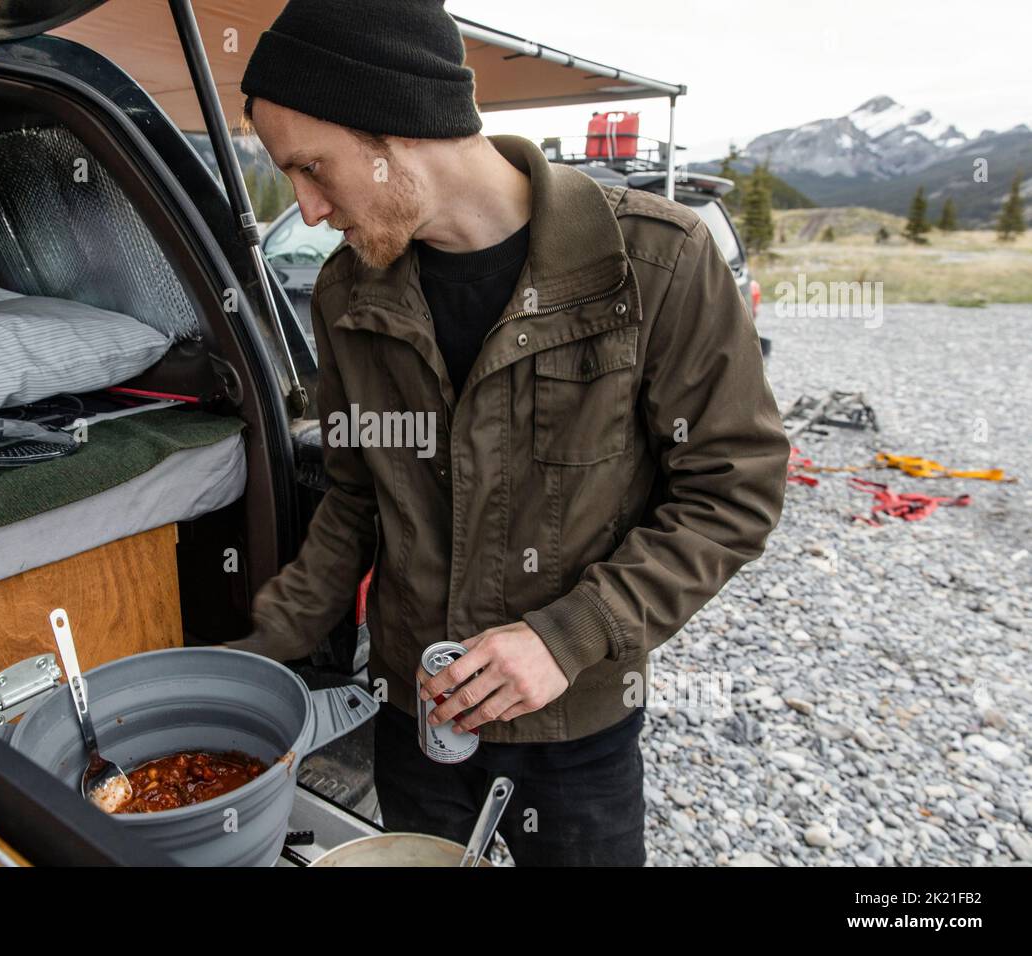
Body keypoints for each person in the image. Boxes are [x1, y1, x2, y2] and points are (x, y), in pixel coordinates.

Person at [225, 0, 789, 866]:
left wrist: (571, 634)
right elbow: (354, 495)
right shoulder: (349, 293)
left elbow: (732, 490)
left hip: (575, 734)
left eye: (312, 168)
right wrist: (259, 651)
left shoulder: (656, 265)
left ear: (397, 127)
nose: (304, 207)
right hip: (415, 716)